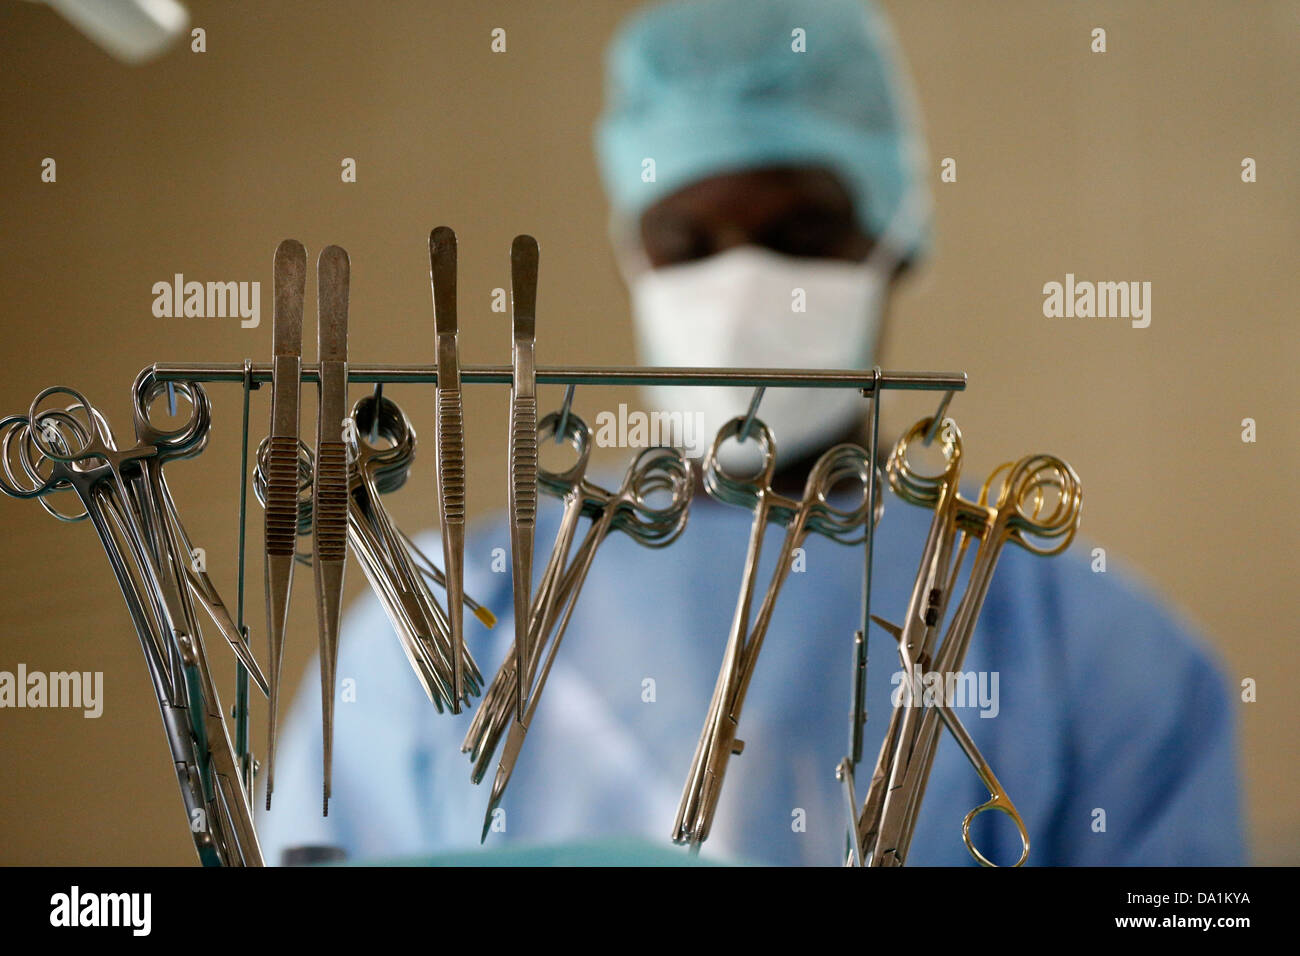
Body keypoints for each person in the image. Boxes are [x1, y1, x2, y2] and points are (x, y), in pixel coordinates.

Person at [258, 0, 1243, 866]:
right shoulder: (435, 628)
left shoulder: (1101, 654)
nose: (740, 282)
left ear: (895, 236)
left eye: (799, 233)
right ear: (633, 254)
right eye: (687, 242)